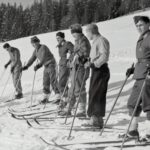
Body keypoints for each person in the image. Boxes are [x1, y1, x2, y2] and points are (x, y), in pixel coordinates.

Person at [124, 16, 150, 141]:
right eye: (137, 25)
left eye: (141, 24)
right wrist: (134, 69)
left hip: (147, 75)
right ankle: (133, 130)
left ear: (148, 24)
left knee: (148, 104)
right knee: (133, 103)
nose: (139, 27)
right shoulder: (142, 38)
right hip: (140, 73)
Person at [59, 24, 91, 117]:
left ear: (78, 32)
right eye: (72, 33)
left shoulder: (83, 40)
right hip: (75, 68)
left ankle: (82, 109)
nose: (73, 35)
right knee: (72, 89)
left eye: (74, 33)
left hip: (81, 68)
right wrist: (70, 59)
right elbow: (74, 52)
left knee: (79, 88)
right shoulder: (77, 41)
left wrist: (79, 57)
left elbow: (85, 53)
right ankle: (69, 107)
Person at [83, 23, 110, 128]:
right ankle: (97, 119)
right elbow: (95, 57)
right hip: (96, 70)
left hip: (101, 70)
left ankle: (95, 120)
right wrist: (88, 63)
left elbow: (104, 56)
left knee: (97, 94)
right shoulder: (95, 42)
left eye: (87, 32)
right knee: (94, 93)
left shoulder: (101, 40)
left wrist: (94, 64)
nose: (87, 34)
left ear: (91, 31)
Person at [22, 36, 60, 104]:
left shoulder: (43, 47)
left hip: (51, 64)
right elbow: (32, 58)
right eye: (32, 44)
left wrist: (39, 65)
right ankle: (46, 96)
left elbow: (43, 57)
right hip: (46, 66)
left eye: (35, 43)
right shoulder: (35, 51)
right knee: (45, 81)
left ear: (38, 42)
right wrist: (27, 66)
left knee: (53, 80)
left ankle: (58, 96)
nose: (34, 45)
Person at [56, 32, 74, 104]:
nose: (57, 39)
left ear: (63, 37)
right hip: (61, 65)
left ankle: (66, 98)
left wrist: (69, 59)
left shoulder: (67, 44)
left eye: (59, 38)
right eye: (56, 38)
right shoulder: (60, 45)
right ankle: (65, 97)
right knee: (61, 82)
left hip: (66, 65)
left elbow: (74, 52)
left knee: (62, 83)